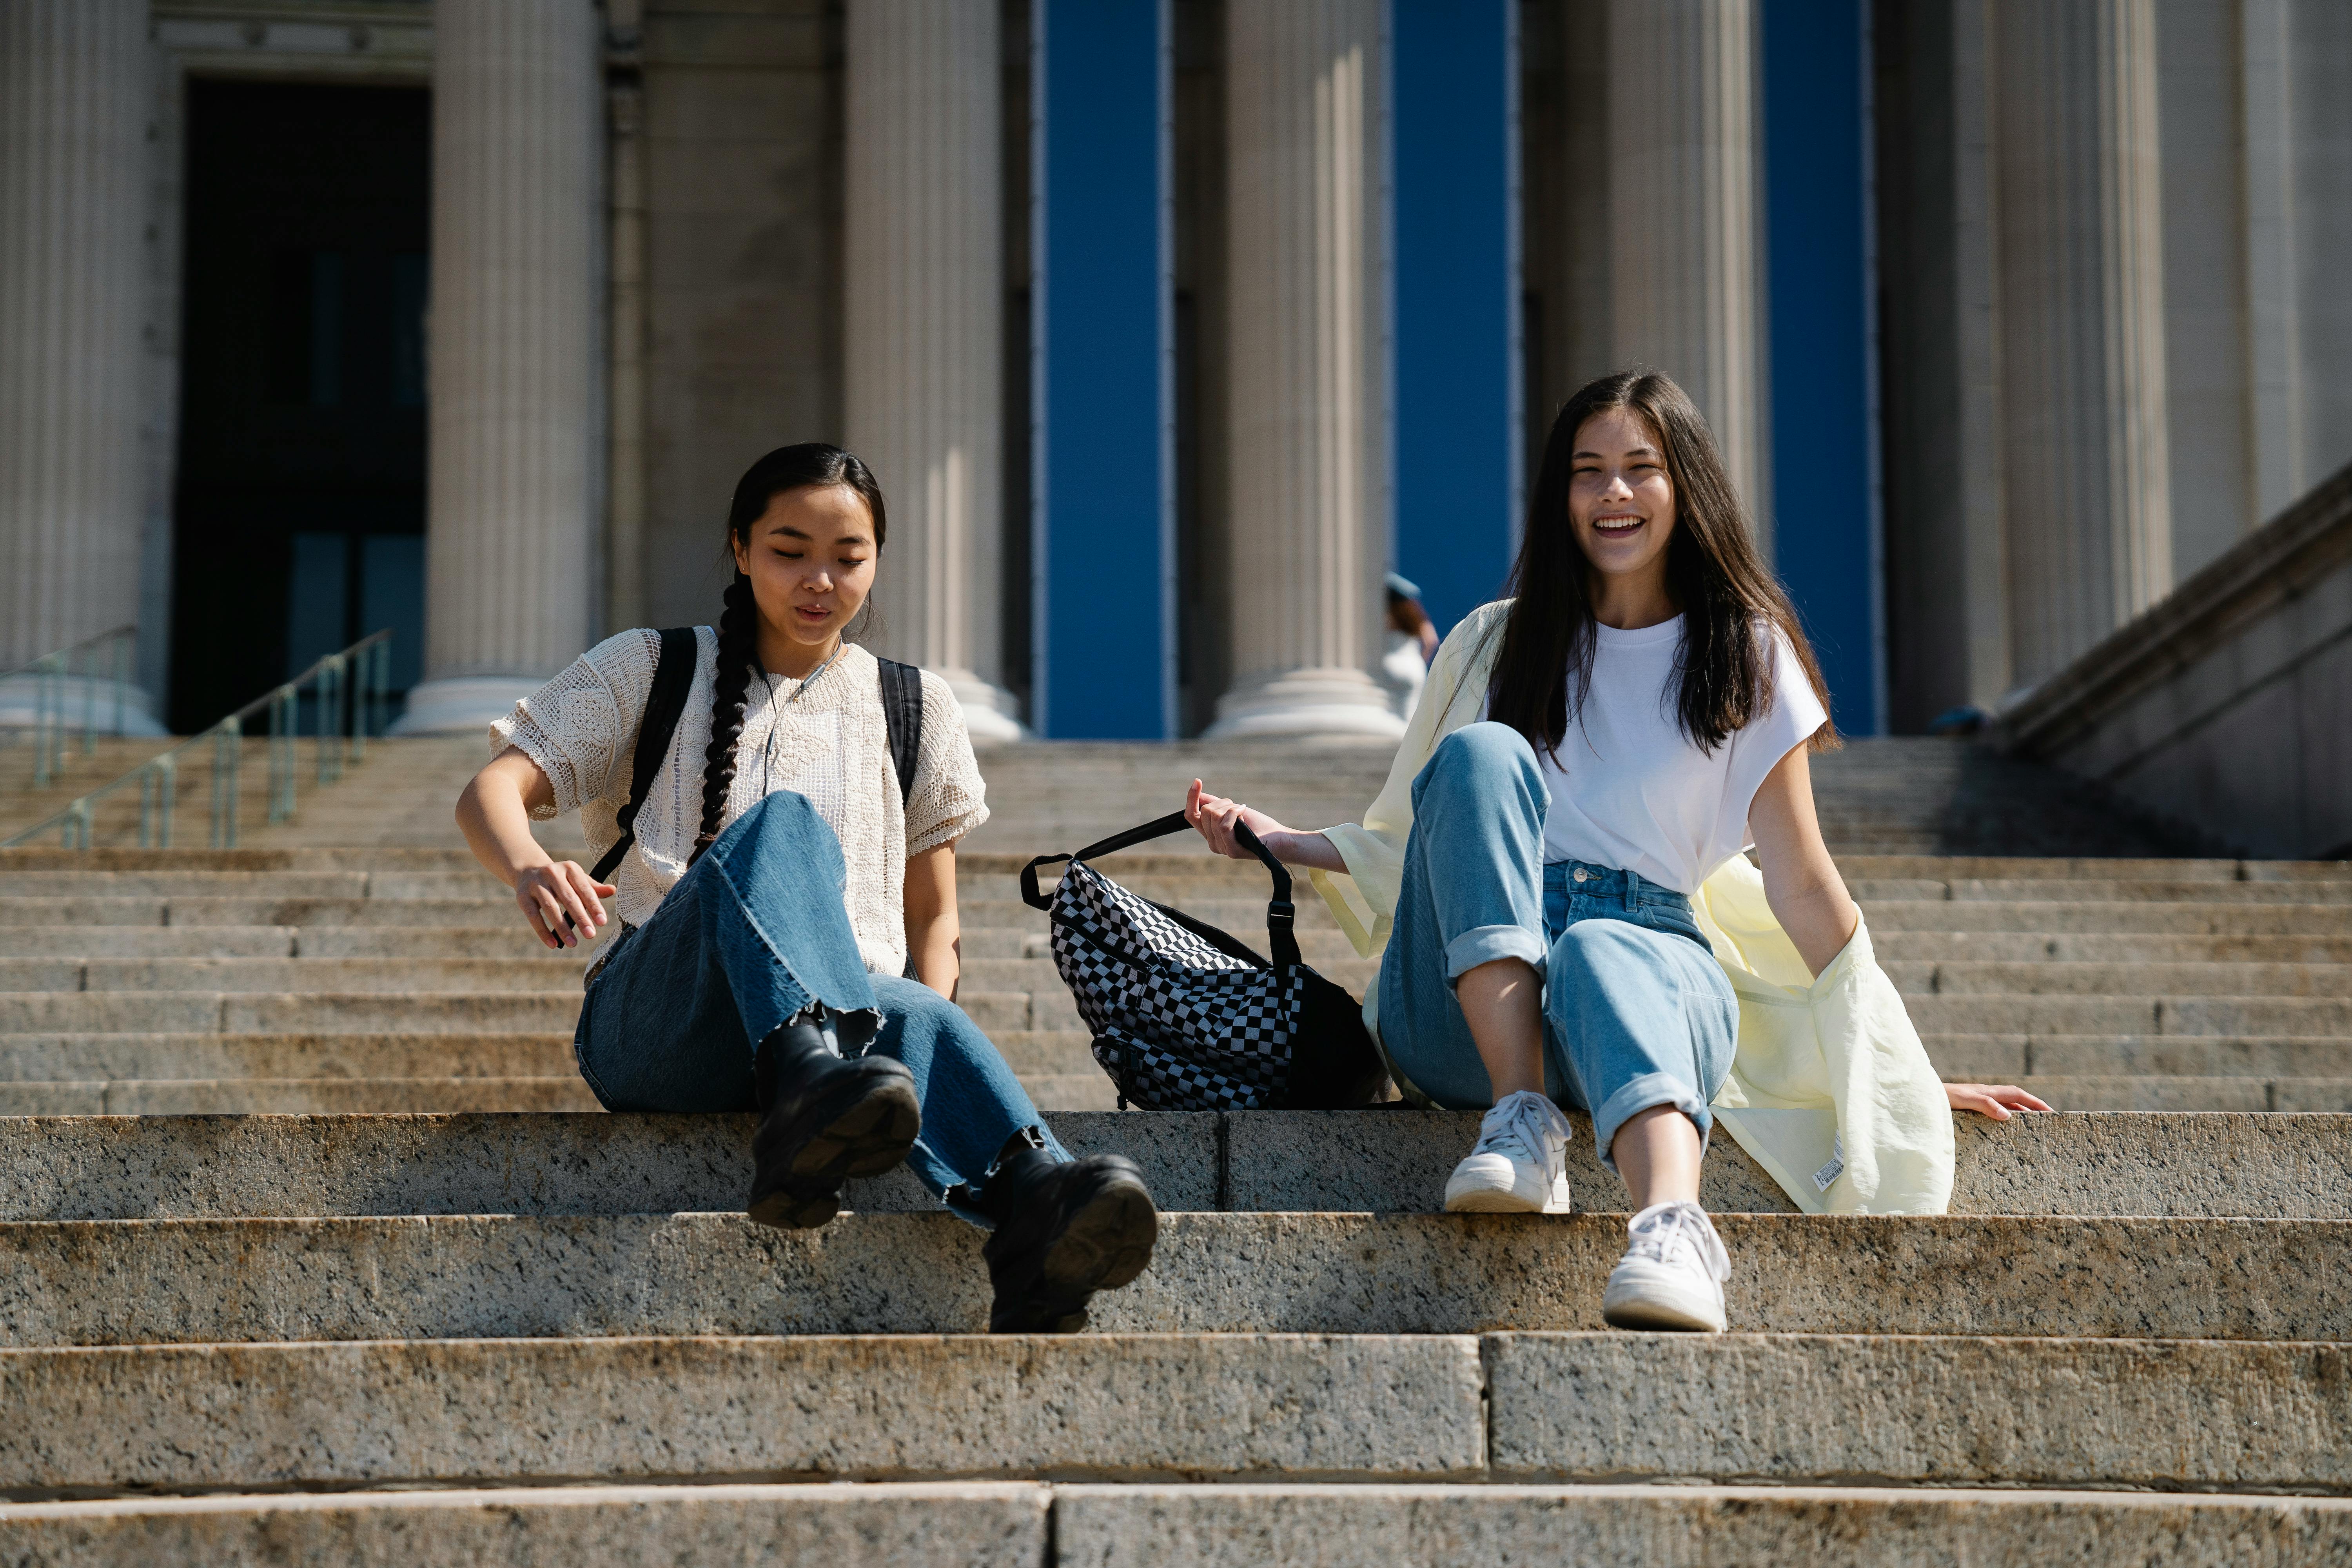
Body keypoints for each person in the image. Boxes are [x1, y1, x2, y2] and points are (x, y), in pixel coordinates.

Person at [1184, 370, 2047, 1333]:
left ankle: (1674, 1231)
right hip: (1465, 1021)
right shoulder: (1492, 646)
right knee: (1479, 755)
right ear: (1562, 496)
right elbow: (1424, 837)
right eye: (1589, 472)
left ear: (1686, 489)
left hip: (1648, 961)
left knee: (1602, 947)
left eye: (1641, 468)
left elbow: (1803, 884)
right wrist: (1282, 840)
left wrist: (1892, 1071)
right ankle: (1520, 1122)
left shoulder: (1746, 654)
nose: (1615, 493)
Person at [455, 442, 1159, 1333]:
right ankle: (810, 1080)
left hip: (849, 1055)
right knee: (782, 825)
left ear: (877, 560)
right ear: (741, 549)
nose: (818, 578)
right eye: (789, 551)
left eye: (847, 556)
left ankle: (1037, 1207)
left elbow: (935, 922)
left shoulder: (915, 706)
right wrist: (527, 863)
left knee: (907, 1000)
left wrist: (907, 1040)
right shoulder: (652, 666)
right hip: (664, 1025)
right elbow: (492, 791)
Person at [1378, 572, 1441, 722]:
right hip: (1415, 667)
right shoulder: (1417, 618)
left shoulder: (1386, 617)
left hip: (1390, 667)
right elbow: (1432, 641)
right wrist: (1421, 661)